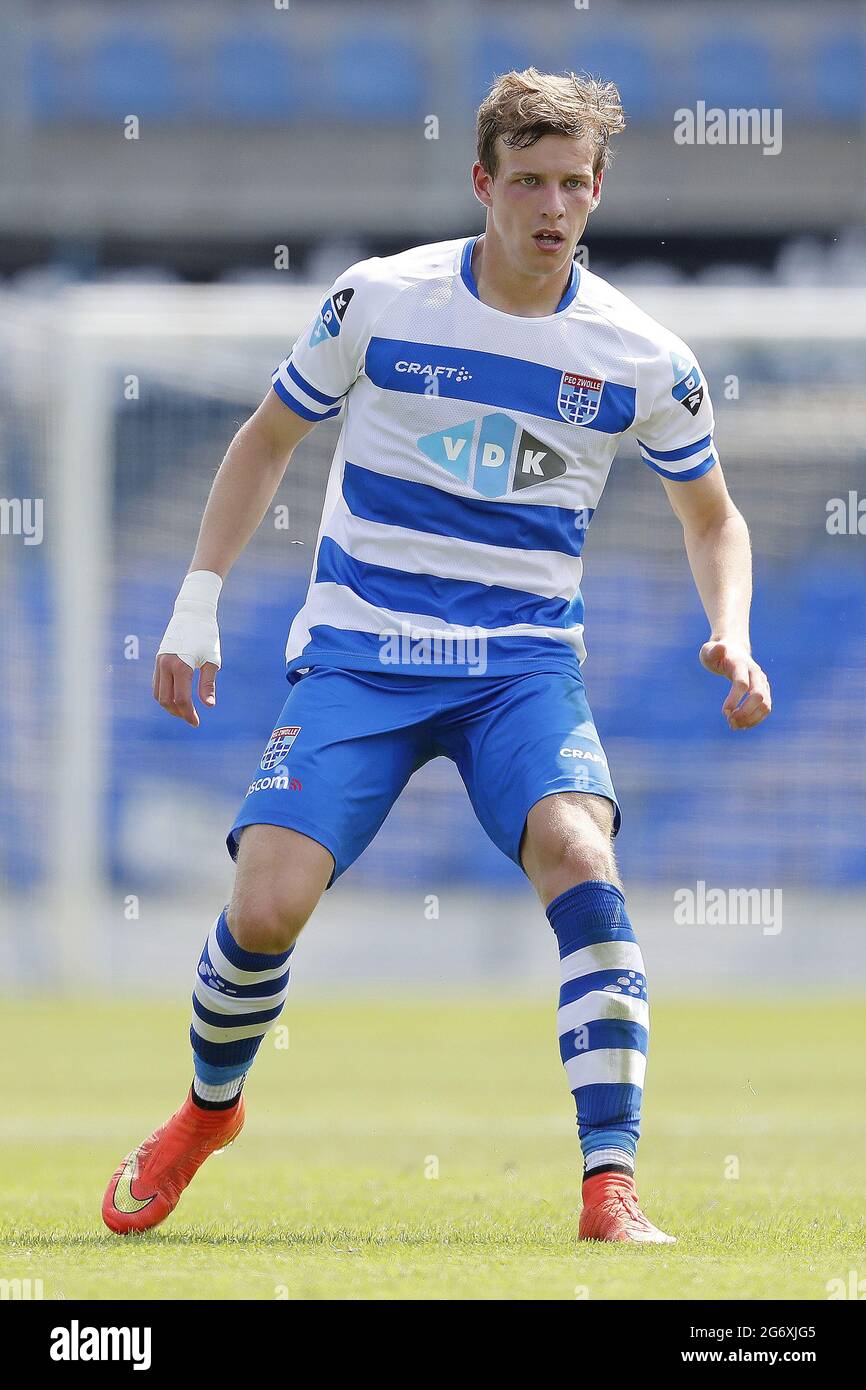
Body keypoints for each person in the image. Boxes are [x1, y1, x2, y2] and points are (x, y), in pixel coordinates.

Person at [102, 68, 771, 1242]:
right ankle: (208, 1112)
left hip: (518, 667)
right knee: (265, 906)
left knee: (580, 855)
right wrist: (195, 602)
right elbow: (265, 441)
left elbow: (712, 515)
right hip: (361, 652)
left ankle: (607, 1187)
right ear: (482, 183)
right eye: (527, 182)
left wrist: (732, 627)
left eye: (573, 184)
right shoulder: (379, 301)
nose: (551, 208)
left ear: (599, 188)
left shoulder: (641, 358)